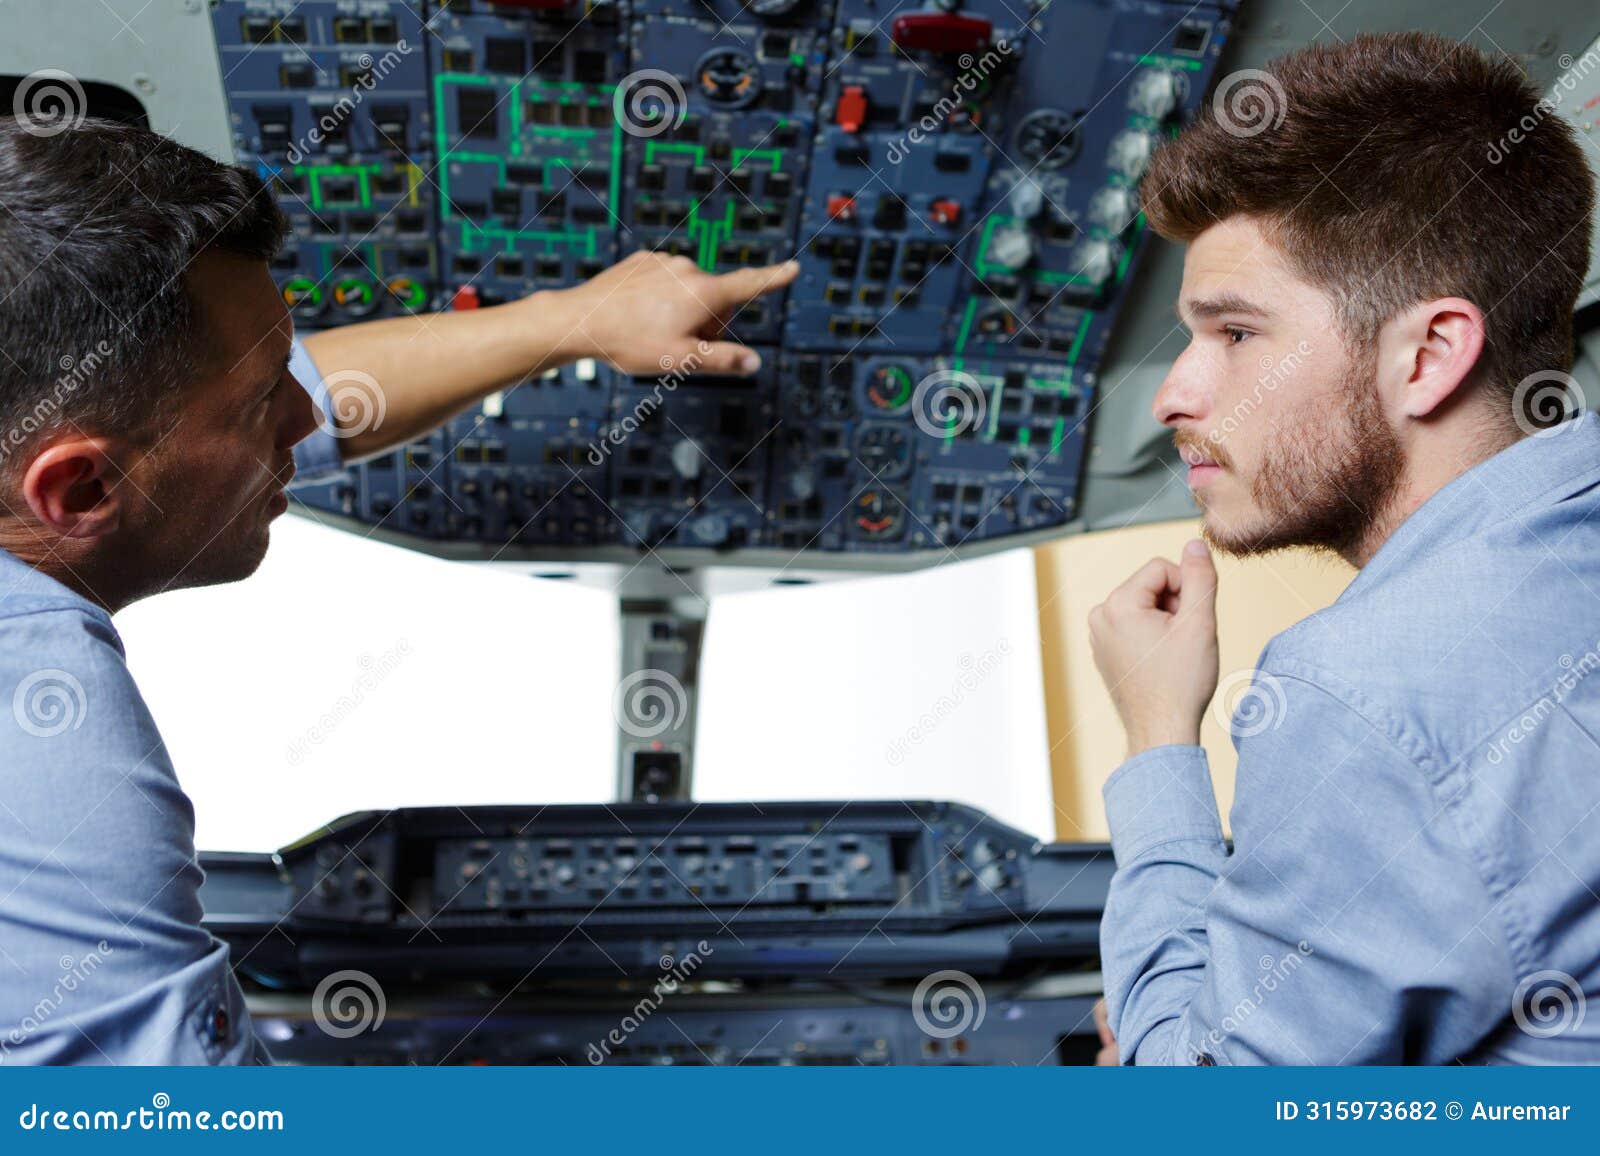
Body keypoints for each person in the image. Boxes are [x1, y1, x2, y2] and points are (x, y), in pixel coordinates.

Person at [0, 115, 795, 1063]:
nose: (309, 410)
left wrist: (573, 319)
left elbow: (302, 394)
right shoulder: (56, 763)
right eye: (264, 401)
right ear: (80, 488)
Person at [1087, 32, 1599, 1063]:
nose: (1172, 395)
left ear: (1429, 355)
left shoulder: (1366, 690)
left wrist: (1156, 740)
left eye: (1235, 334)